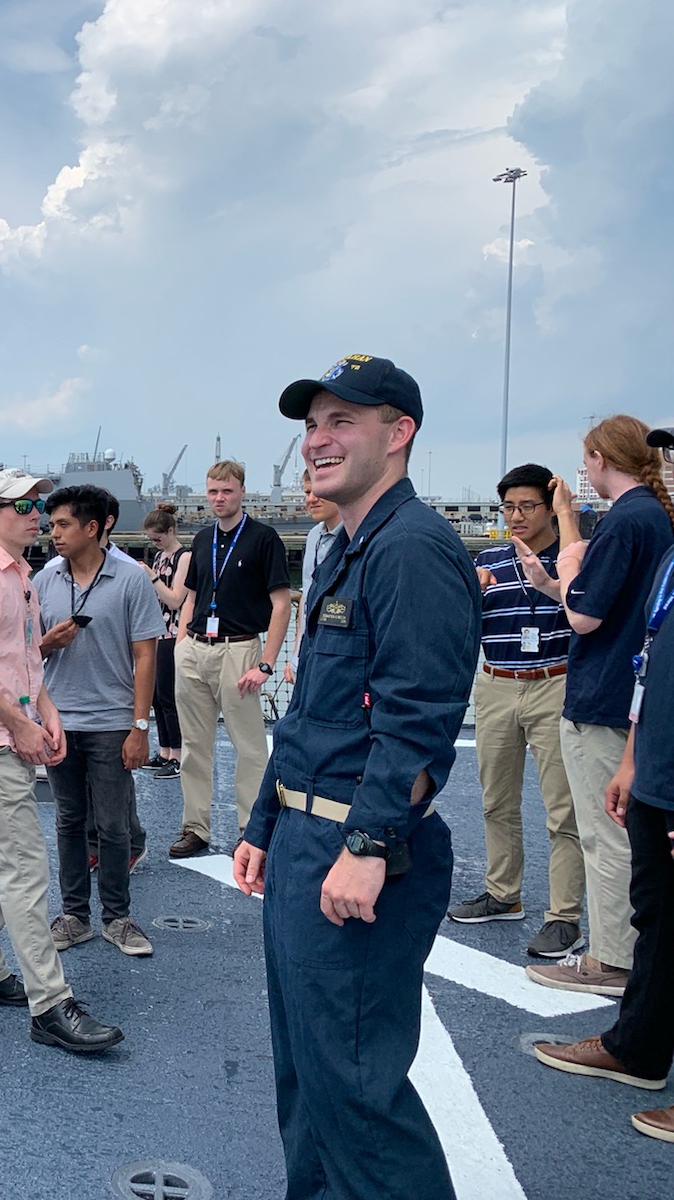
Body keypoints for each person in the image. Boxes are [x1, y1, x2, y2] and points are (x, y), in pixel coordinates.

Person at [234, 354, 480, 1199]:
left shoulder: (412, 549)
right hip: (308, 836)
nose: (317, 441)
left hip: (356, 843)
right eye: (311, 425)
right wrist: (264, 821)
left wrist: (369, 843)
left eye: (342, 421)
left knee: (359, 1093)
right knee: (308, 1078)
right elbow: (312, 712)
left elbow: (418, 722)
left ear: (398, 433)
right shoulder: (346, 546)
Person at [0, 467, 124, 1055]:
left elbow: (21, 656)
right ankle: (50, 1003)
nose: (34, 513)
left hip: (7, 732)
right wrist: (20, 721)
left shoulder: (21, 576)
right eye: (20, 504)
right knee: (24, 866)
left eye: (37, 504)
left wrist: (46, 709)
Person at [530, 424, 674, 1144]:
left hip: (605, 702)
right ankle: (621, 970)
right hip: (636, 710)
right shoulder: (658, 523)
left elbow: (583, 612)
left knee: (605, 840)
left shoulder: (626, 522)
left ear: (600, 461)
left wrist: (565, 537)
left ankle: (610, 957)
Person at [446, 464, 584, 960]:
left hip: (556, 682)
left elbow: (590, 612)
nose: (517, 516)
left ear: (550, 508)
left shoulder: (574, 561)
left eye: (527, 506)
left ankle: (565, 915)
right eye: (508, 507)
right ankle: (503, 893)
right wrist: (470, 594)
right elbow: (463, 627)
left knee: (562, 808)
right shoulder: (492, 562)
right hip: (497, 683)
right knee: (495, 800)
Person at [36, 485, 165, 957]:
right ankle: (74, 916)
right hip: (59, 721)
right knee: (69, 821)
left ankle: (118, 917)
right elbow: (24, 653)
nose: (54, 534)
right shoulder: (44, 580)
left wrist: (140, 727)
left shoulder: (131, 580)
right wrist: (48, 643)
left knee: (113, 826)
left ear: (93, 527)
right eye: (51, 526)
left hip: (113, 723)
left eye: (63, 525)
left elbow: (146, 657)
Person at [170, 460, 292, 857]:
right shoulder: (203, 539)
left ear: (241, 492)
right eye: (212, 492)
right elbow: (191, 594)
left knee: (250, 748)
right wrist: (180, 642)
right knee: (193, 745)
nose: (219, 499)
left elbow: (281, 604)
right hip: (195, 649)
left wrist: (267, 663)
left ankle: (250, 829)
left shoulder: (263, 538)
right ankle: (195, 827)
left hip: (238, 649)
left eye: (226, 491)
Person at [141, 503, 191, 779]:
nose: (155, 543)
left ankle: (179, 755)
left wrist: (152, 576)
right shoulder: (160, 557)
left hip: (174, 632)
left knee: (170, 696)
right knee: (158, 698)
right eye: (152, 540)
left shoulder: (184, 557)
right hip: (157, 631)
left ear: (170, 531)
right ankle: (164, 751)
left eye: (158, 538)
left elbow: (175, 599)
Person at [284, 471, 342, 685]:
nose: (311, 499)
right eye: (308, 492)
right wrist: (296, 656)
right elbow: (307, 597)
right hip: (308, 656)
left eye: (319, 492)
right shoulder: (313, 536)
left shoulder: (356, 537)